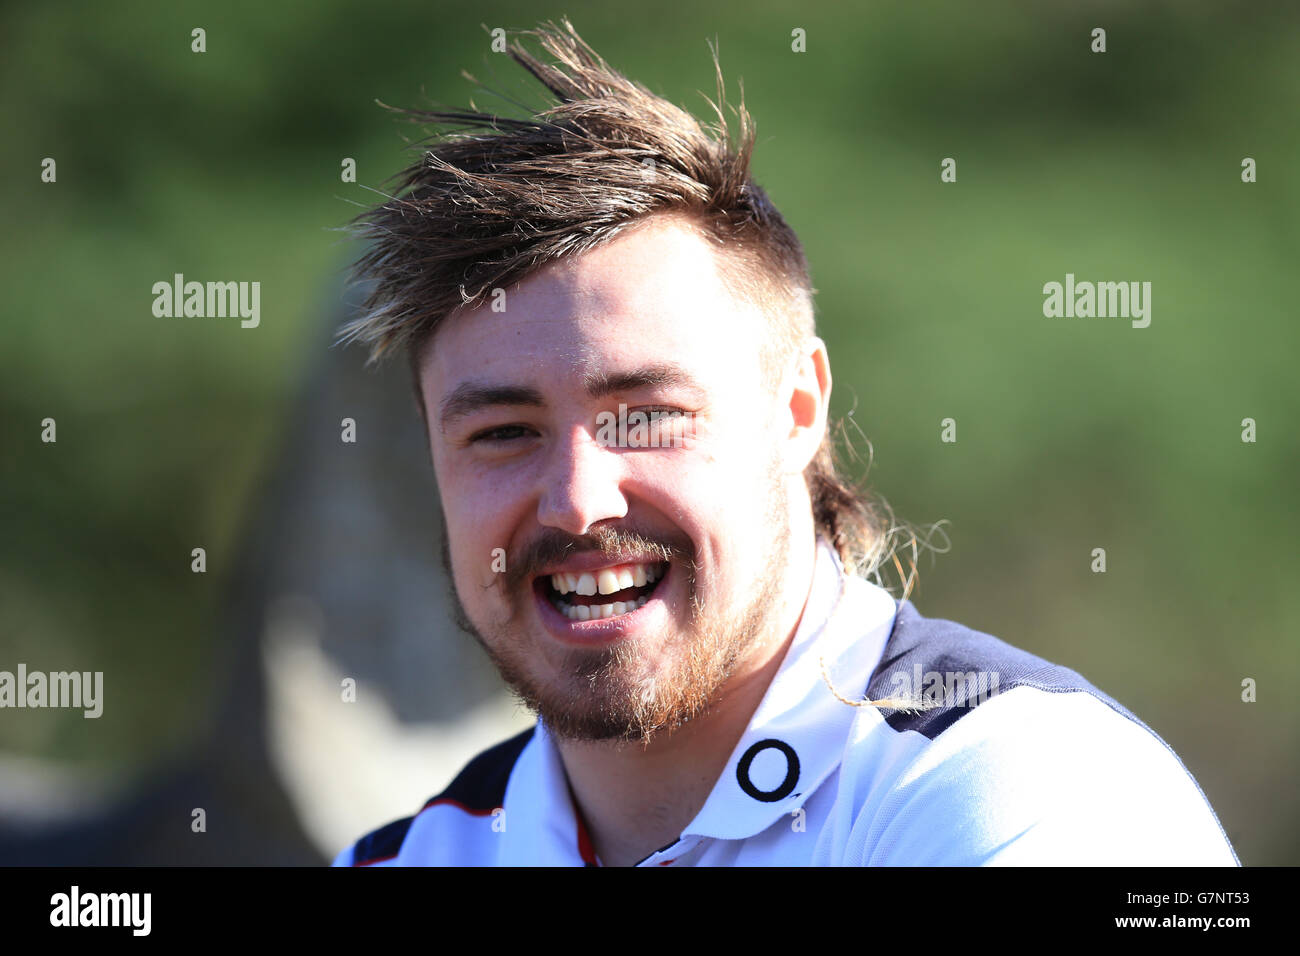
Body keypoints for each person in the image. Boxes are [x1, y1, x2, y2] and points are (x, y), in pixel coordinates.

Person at [330, 18, 1238, 866]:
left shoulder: (1026, 793)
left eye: (646, 416)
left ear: (798, 409)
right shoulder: (405, 857)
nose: (576, 497)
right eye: (502, 432)